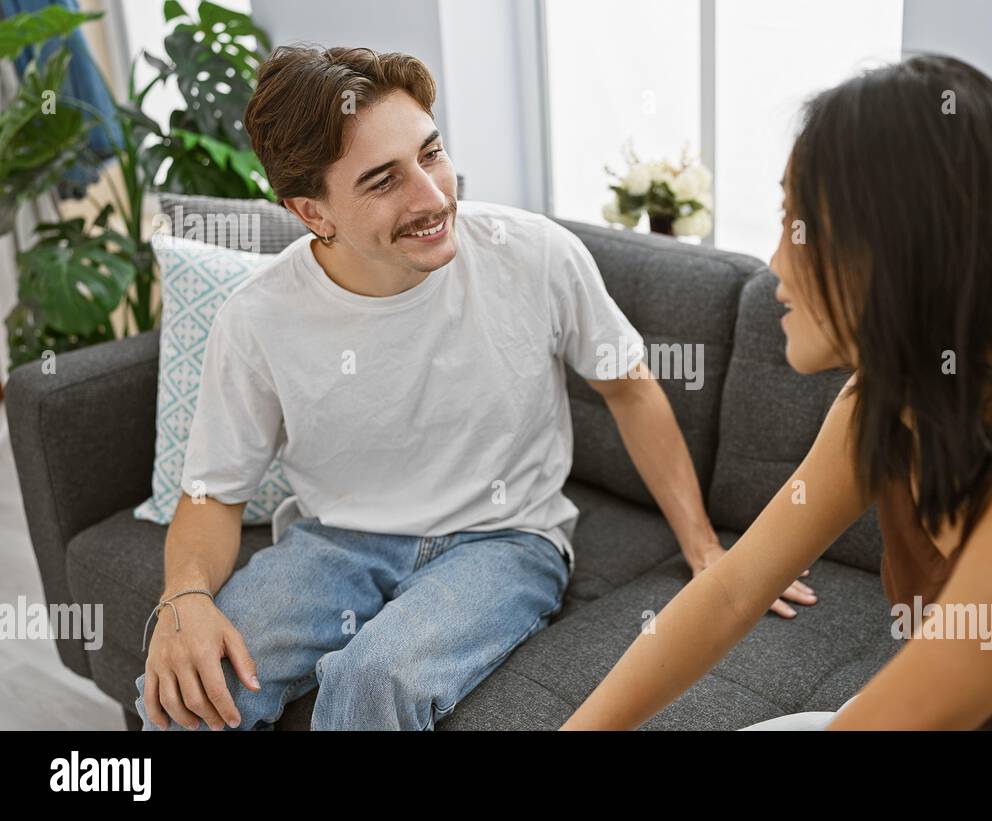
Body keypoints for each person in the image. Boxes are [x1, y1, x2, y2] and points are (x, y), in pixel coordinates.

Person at [133, 45, 814, 732]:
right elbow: (213, 491)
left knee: (376, 677)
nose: (432, 198)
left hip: (505, 539)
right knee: (188, 686)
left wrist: (704, 548)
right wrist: (185, 594)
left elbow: (631, 390)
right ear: (314, 213)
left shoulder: (534, 254)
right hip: (336, 540)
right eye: (382, 181)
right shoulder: (258, 317)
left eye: (431, 154)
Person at [561, 54, 992, 731]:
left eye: (799, 224)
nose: (774, 261)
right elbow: (731, 592)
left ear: (898, 247)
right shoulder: (881, 404)